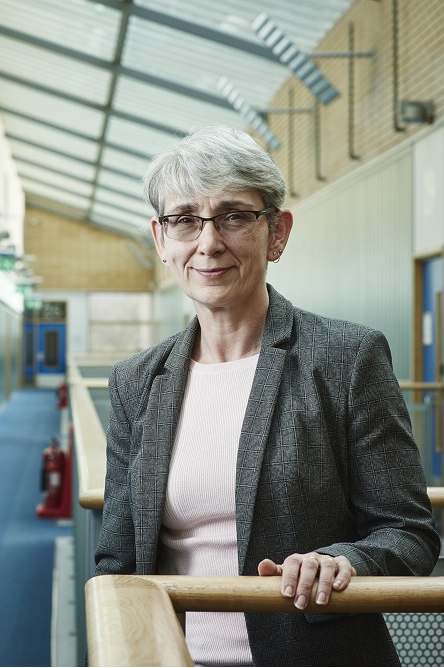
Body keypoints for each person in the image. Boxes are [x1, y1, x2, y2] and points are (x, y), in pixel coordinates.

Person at [94, 125, 440, 666]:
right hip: (168, 656)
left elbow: (410, 532)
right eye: (185, 219)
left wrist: (344, 560)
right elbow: (116, 557)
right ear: (162, 240)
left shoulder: (347, 358)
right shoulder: (138, 381)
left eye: (234, 215)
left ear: (277, 233)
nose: (208, 242)